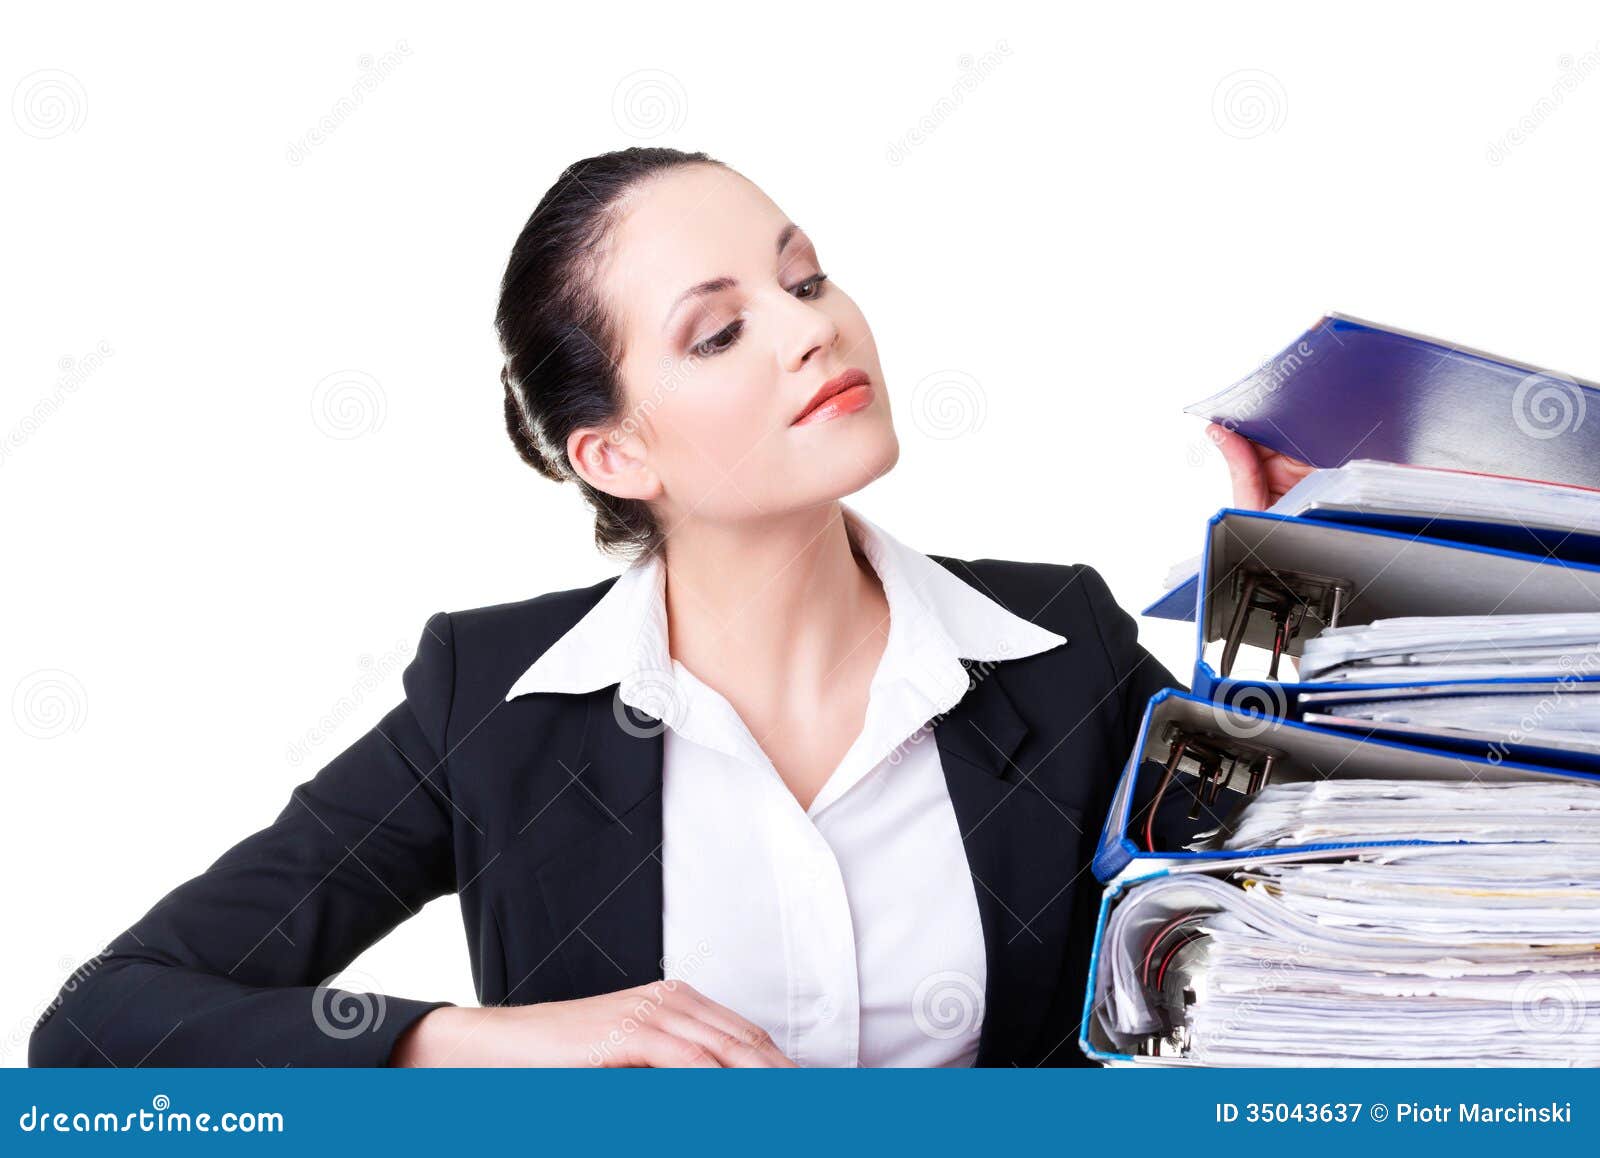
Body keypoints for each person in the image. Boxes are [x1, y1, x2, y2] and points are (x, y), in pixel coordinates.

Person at [27, 147, 1311, 1069]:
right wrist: (477, 1043)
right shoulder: (492, 702)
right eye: (716, 333)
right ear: (615, 457)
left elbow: (1343, 916)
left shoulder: (1061, 652)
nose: (809, 332)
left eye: (802, 282)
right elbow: (103, 1019)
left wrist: (1325, 586)